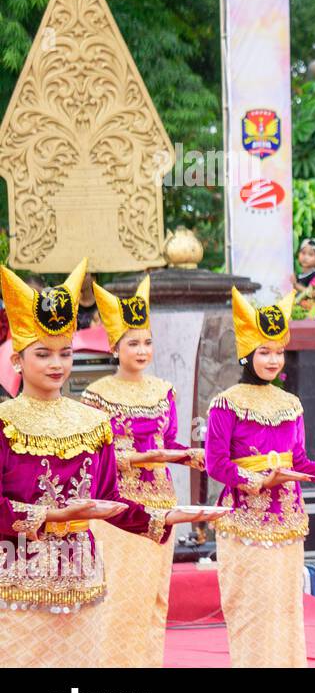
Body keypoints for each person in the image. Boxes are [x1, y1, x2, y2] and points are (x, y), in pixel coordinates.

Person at [0, 260, 218, 667]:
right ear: (17, 360)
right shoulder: (4, 424)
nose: (57, 364)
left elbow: (109, 501)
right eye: (43, 353)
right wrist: (55, 513)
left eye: (65, 353)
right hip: (15, 584)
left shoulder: (92, 424)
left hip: (82, 579)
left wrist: (166, 516)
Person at [206, 289, 315, 666]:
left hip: (287, 522)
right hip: (244, 522)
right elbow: (216, 464)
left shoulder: (290, 403)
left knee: (285, 610)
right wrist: (260, 482)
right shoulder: (227, 402)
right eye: (264, 352)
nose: (272, 360)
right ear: (247, 354)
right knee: (251, 609)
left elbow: (300, 461)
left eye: (278, 351)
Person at [81, 276, 205, 667]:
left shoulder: (163, 389)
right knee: (120, 593)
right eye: (133, 343)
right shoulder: (96, 394)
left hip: (162, 504)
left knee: (155, 595)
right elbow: (93, 459)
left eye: (147, 342)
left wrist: (190, 456)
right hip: (120, 508)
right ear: (114, 347)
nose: (142, 349)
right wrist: (138, 458)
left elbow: (170, 442)